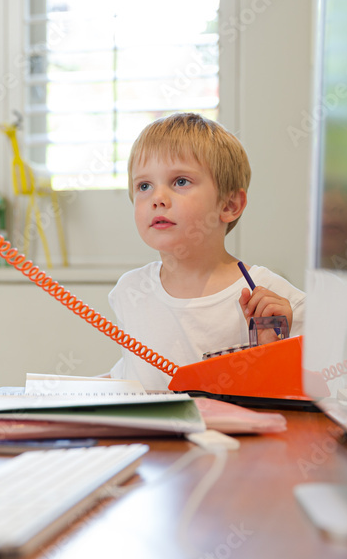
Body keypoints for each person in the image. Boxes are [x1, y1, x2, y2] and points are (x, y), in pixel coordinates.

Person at [105, 113, 305, 390]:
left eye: (181, 182)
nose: (157, 199)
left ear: (229, 205)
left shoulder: (271, 297)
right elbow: (130, 375)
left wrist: (278, 346)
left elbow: (316, 390)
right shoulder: (130, 290)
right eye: (144, 186)